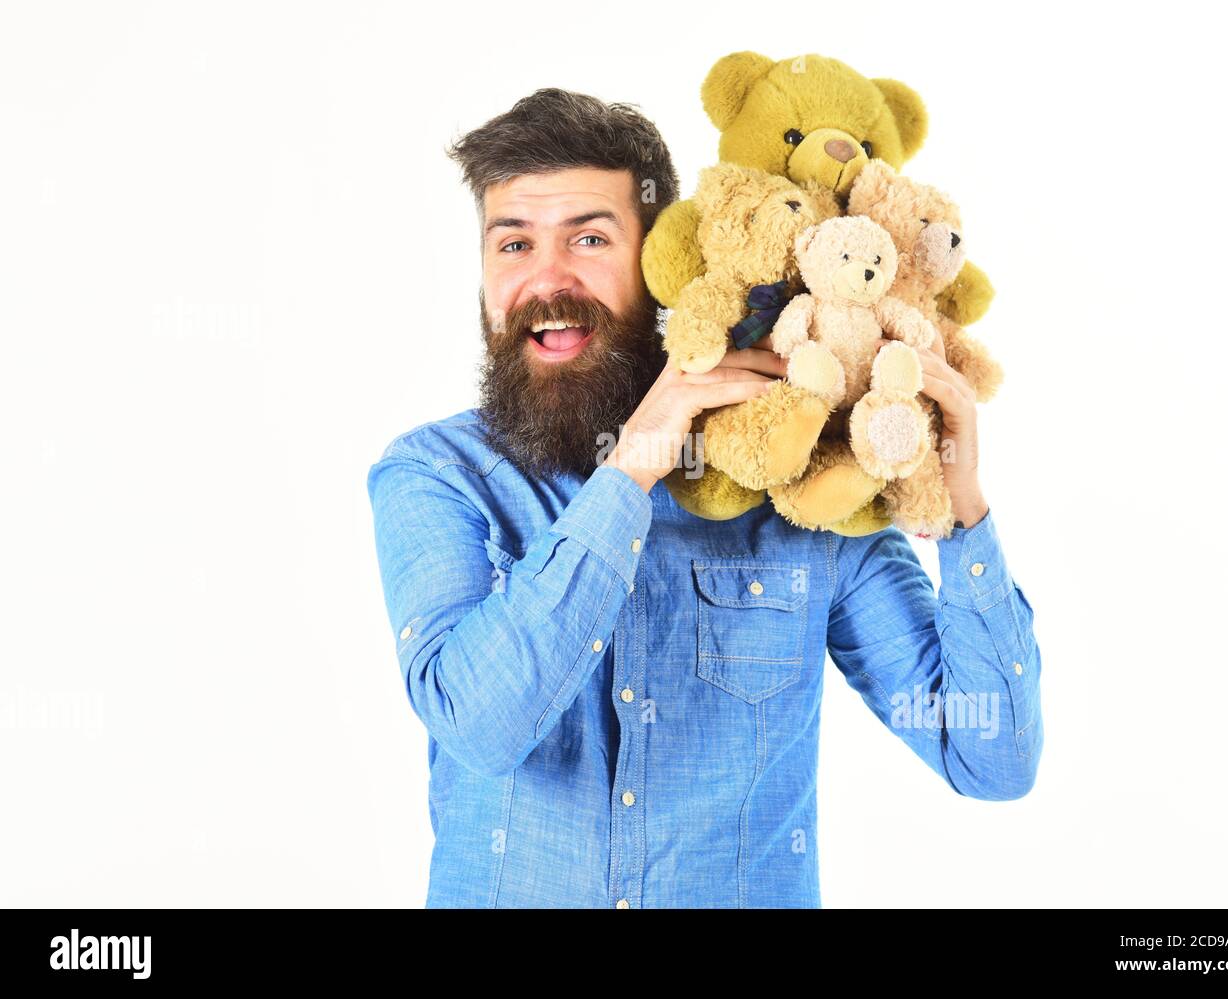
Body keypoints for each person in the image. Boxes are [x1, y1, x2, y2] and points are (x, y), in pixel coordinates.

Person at [366, 87, 1043, 909]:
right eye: (513, 243)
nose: (547, 279)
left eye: (588, 237)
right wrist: (634, 469)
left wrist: (963, 506)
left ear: (660, 261)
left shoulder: (799, 480)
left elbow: (991, 756)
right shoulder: (436, 475)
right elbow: (479, 723)